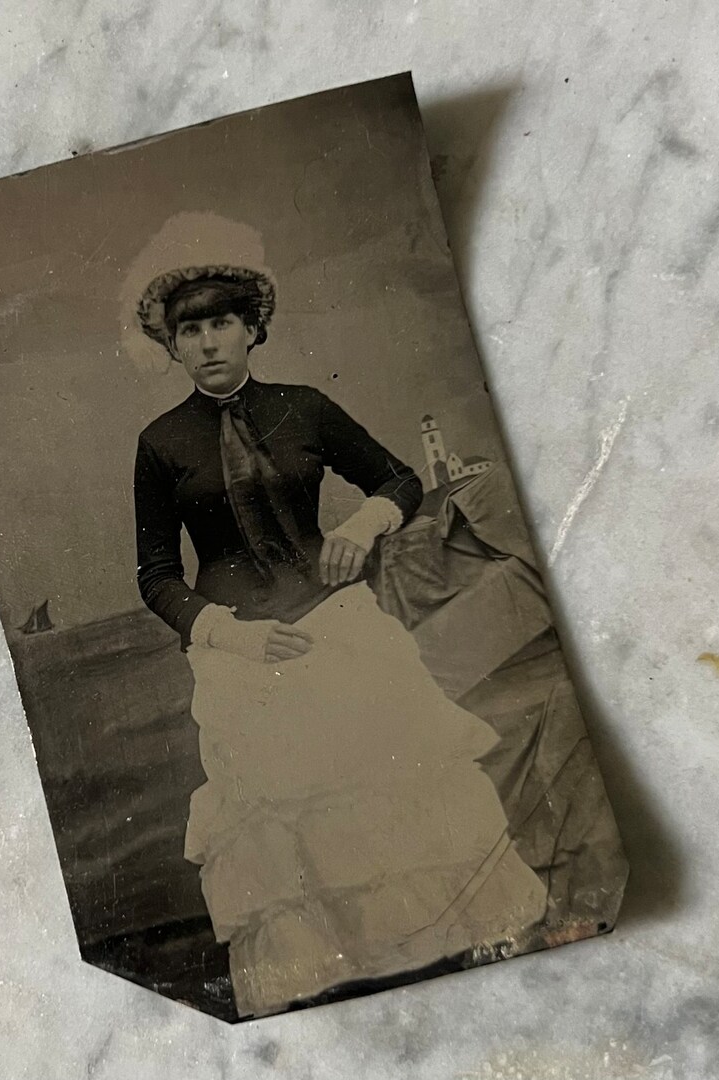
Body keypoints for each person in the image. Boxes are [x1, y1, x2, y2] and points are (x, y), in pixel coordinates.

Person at [132, 264, 546, 1017]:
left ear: (252, 330)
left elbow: (398, 479)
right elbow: (156, 575)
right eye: (189, 331)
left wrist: (361, 527)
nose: (207, 343)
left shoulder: (304, 407)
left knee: (394, 785)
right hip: (243, 654)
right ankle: (335, 993)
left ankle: (444, 959)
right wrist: (229, 636)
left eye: (222, 324)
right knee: (282, 826)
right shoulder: (160, 442)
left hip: (336, 626)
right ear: (173, 347)